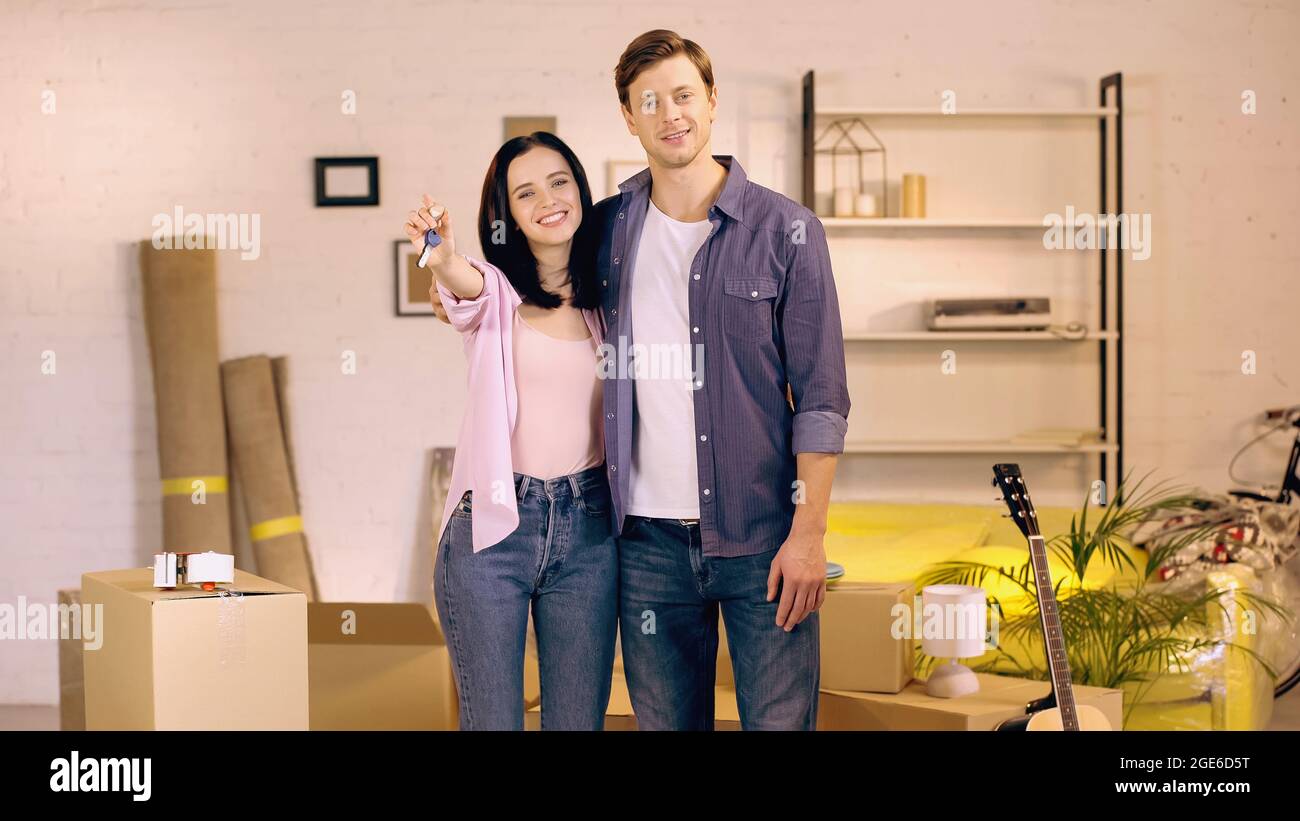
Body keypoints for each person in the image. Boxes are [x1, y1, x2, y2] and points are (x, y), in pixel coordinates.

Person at [598, 29, 850, 730]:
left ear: (711, 101)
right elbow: (528, 299)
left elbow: (822, 398)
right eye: (650, 101)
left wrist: (809, 535)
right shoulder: (608, 234)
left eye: (684, 94)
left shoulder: (788, 230)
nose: (670, 113)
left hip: (766, 540)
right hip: (645, 547)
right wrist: (452, 288)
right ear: (628, 115)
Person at [407, 131, 616, 730]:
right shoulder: (496, 294)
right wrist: (440, 253)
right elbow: (461, 284)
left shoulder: (609, 302)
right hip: (492, 533)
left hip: (589, 534)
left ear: (579, 188)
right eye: (526, 193)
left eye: (559, 181)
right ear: (509, 218)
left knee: (577, 722)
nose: (548, 200)